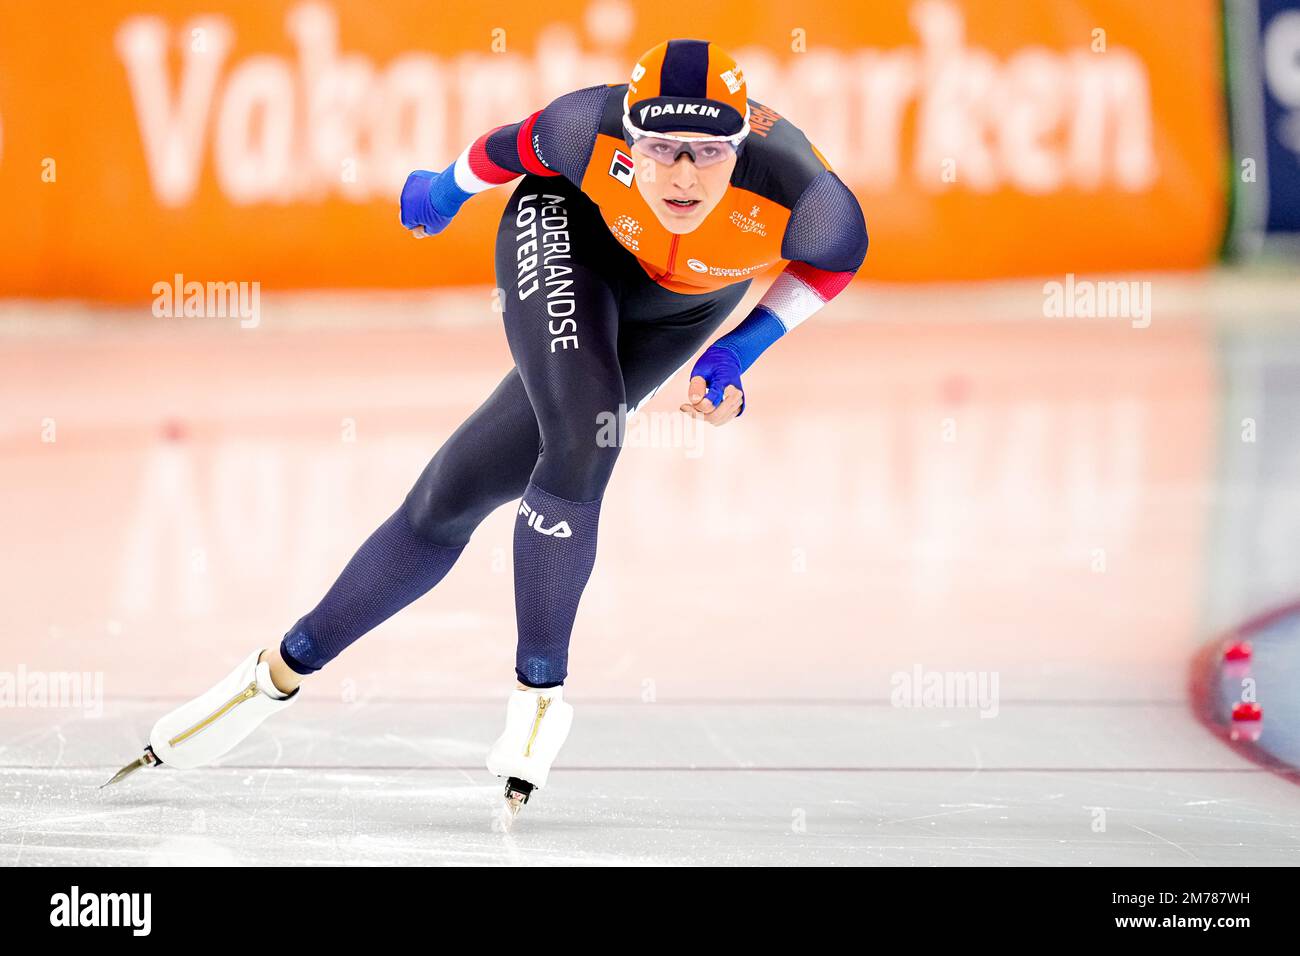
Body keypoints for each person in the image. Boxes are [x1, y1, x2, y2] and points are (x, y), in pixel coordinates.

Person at [107, 38, 869, 825]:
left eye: (708, 153)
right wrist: (444, 190)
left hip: (681, 310)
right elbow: (507, 149)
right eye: (660, 149)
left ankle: (273, 671)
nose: (681, 175)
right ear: (630, 137)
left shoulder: (808, 196)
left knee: (451, 499)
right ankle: (540, 696)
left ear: (741, 146)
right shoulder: (587, 127)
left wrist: (742, 348)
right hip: (567, 236)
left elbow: (832, 264)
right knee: (586, 434)